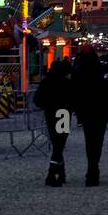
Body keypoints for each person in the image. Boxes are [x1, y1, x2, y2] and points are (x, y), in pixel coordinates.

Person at [72, 49, 108, 186]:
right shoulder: (101, 71)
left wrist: (77, 112)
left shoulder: (78, 72)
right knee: (98, 141)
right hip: (100, 111)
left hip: (86, 111)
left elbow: (76, 93)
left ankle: (92, 169)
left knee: (89, 141)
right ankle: (94, 168)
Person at [34, 58, 72, 187]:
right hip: (64, 115)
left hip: (51, 115)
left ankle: (60, 173)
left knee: (57, 144)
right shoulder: (67, 83)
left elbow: (37, 100)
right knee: (59, 145)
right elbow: (74, 99)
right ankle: (52, 174)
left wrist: (47, 106)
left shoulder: (46, 83)